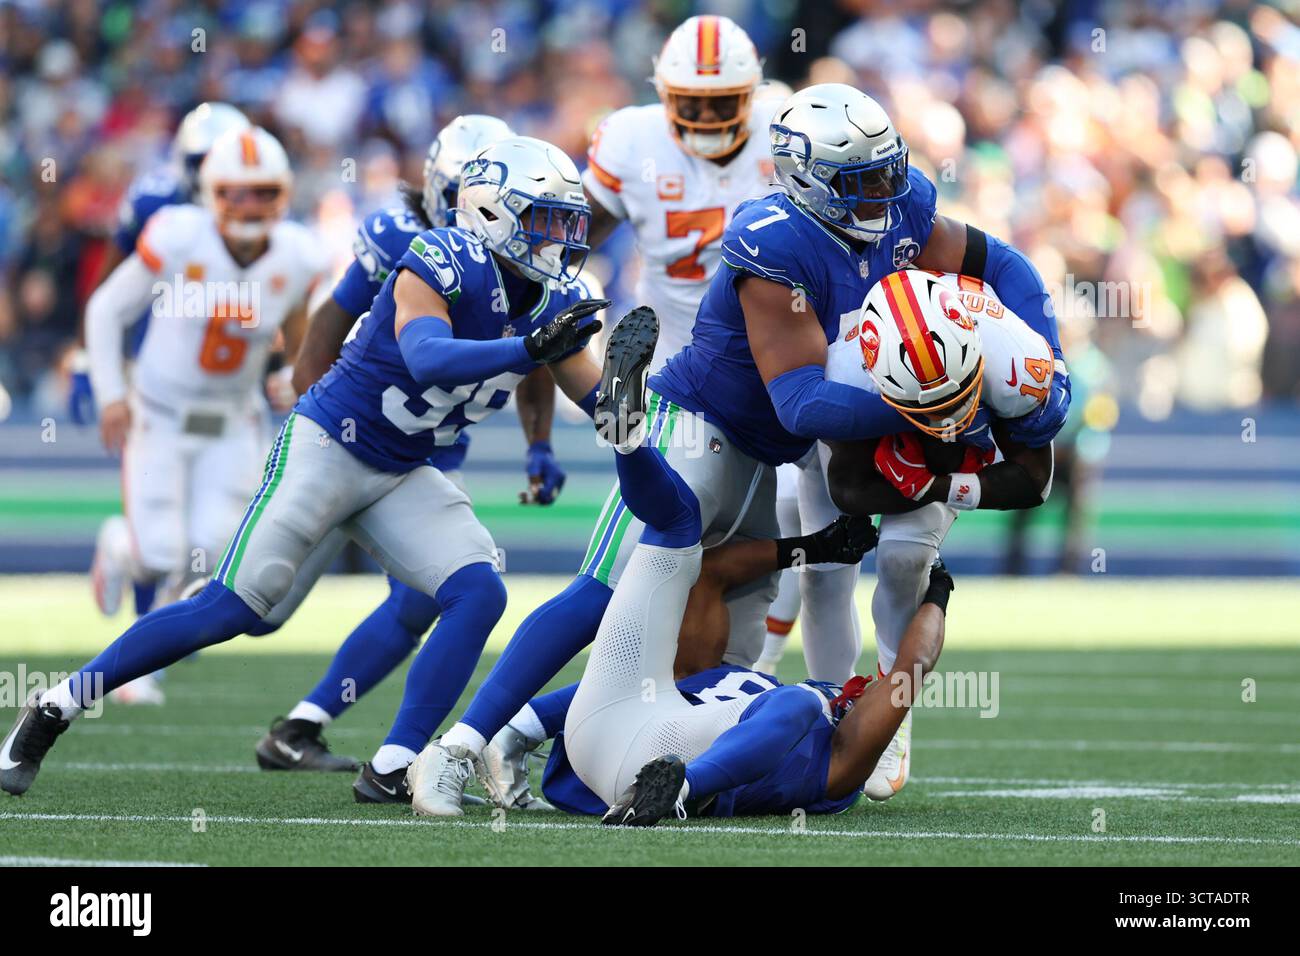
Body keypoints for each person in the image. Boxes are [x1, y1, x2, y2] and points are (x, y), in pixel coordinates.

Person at [424, 82, 1070, 814]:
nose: (884, 195)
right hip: (700, 424)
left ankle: (551, 737)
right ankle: (461, 747)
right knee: (607, 591)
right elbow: (802, 400)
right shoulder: (777, 241)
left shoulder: (903, 205)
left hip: (766, 455)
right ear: (806, 180)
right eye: (861, 182)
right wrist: (924, 407)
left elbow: (999, 263)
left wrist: (1044, 343)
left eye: (889, 173)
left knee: (713, 660)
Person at [0, 136, 610, 801]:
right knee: (230, 608)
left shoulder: (552, 300)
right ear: (493, 213)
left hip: (404, 468)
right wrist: (526, 350)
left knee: (479, 591)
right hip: (331, 446)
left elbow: (600, 398)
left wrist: (636, 396)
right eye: (545, 218)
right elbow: (428, 356)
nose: (563, 236)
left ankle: (394, 765)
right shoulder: (441, 256)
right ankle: (56, 704)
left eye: (567, 220)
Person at [246, 114, 569, 777]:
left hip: (423, 453)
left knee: (431, 597)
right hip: (349, 437)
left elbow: (538, 361)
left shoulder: (522, 267)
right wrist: (319, 426)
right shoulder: (408, 242)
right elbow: (325, 334)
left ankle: (321, 732)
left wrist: (540, 446)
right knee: (258, 612)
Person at [85, 124, 324, 707]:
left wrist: (288, 372)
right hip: (160, 412)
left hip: (232, 417)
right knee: (159, 551)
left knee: (216, 554)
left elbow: (298, 328)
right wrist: (111, 393)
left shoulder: (297, 252)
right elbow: (106, 308)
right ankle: (119, 545)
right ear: (210, 192)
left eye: (263, 192)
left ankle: (144, 670)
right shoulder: (178, 236)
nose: (249, 205)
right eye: (237, 192)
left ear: (284, 193)